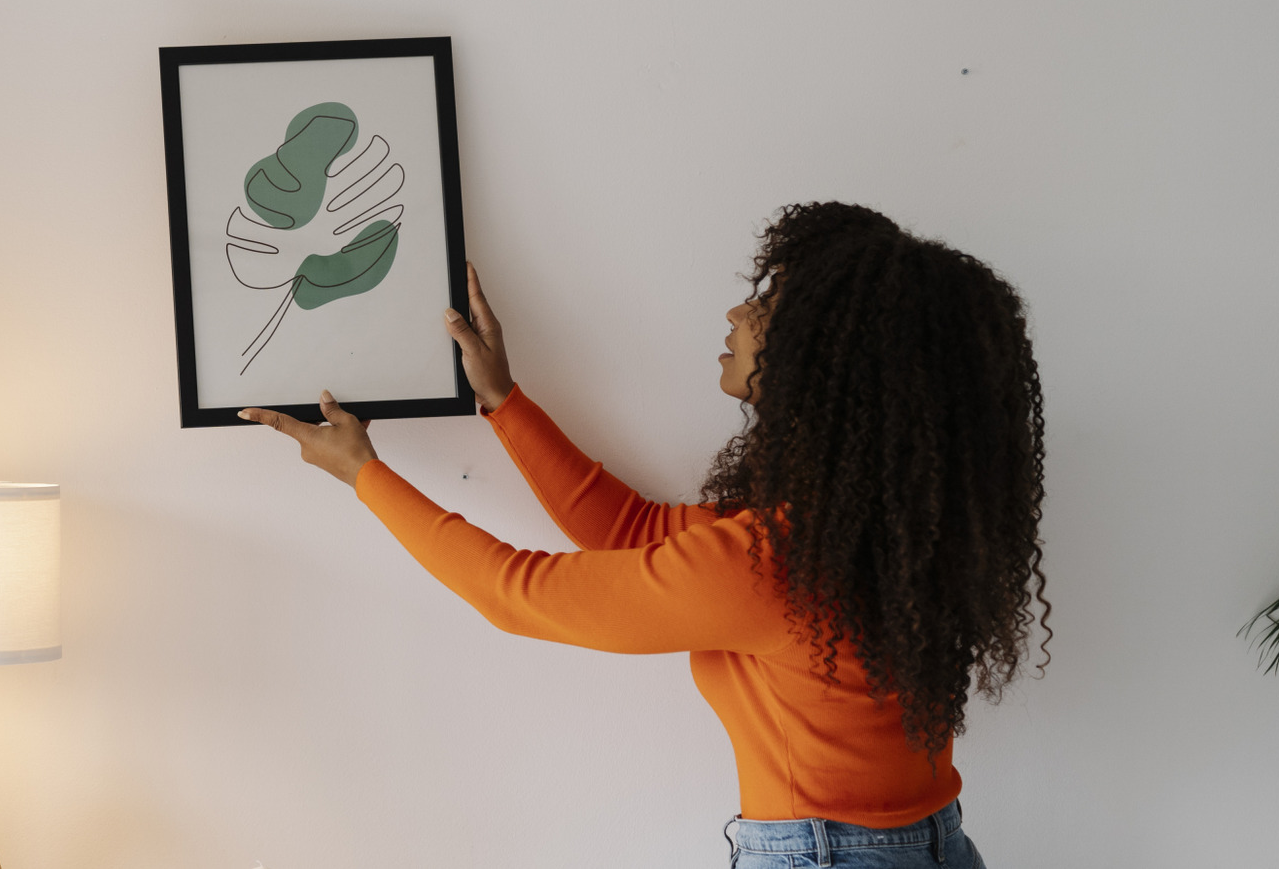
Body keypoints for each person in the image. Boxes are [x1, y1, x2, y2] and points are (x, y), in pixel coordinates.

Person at [242, 201, 1051, 868]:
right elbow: (634, 530)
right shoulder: (868, 533)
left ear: (827, 359)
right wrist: (504, 402)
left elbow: (515, 595)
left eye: (768, 302)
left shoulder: (773, 563)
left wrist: (365, 475)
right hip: (934, 848)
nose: (739, 310)